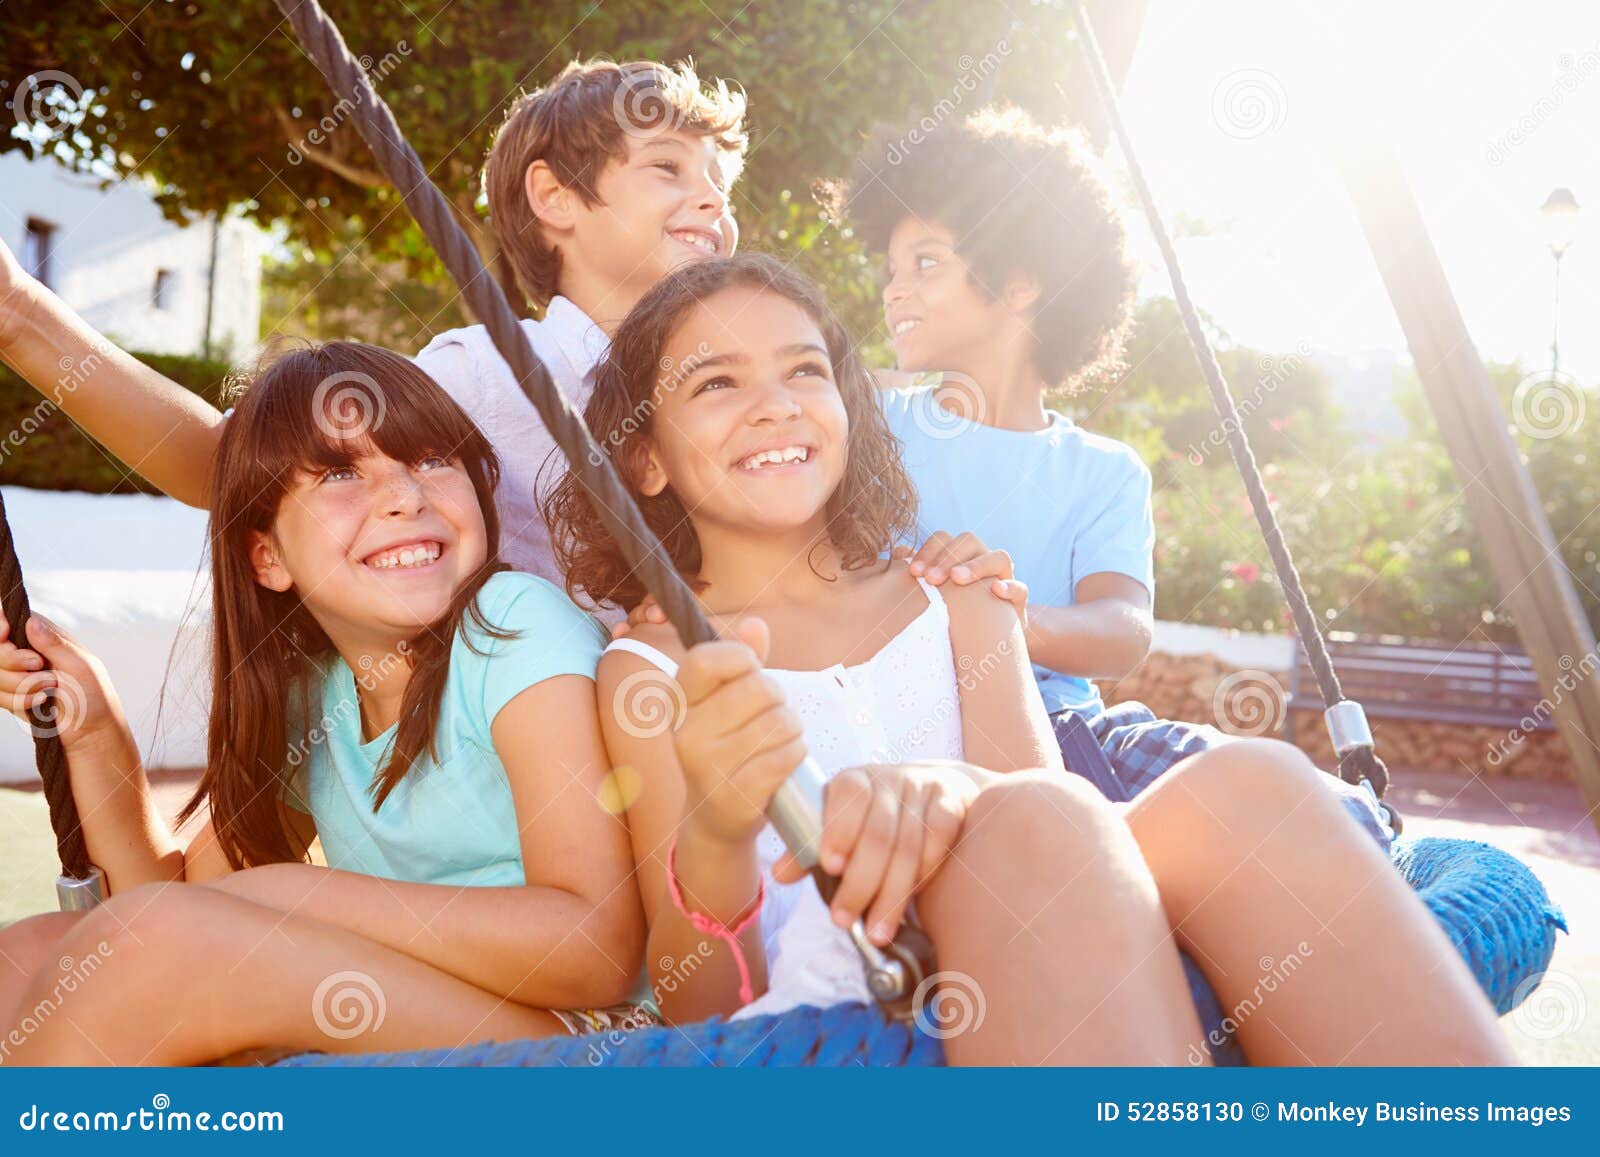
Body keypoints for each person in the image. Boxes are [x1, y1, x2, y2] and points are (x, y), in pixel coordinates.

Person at [545, 253, 1510, 1065]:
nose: (774, 405)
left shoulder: (955, 596)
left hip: (1049, 943)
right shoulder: (654, 674)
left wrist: (948, 787)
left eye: (806, 371)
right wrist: (718, 823)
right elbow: (698, 1007)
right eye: (716, 383)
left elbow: (1053, 835)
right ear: (645, 458)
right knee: (1044, 816)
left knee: (1249, 785)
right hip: (854, 1018)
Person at [0, 342, 643, 1064]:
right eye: (340, 472)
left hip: (595, 1039)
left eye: (434, 458)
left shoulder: (515, 625)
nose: (406, 494)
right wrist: (97, 734)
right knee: (25, 957)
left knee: (157, 946)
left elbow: (595, 948)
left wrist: (301, 897)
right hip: (452, 1019)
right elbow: (167, 905)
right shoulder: (317, 694)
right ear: (265, 557)